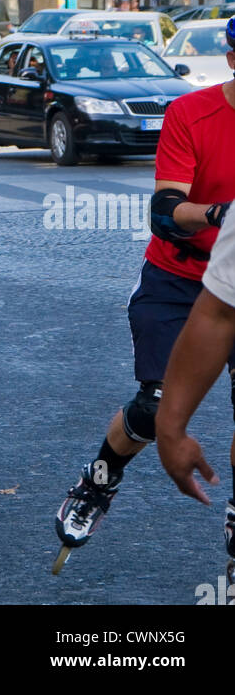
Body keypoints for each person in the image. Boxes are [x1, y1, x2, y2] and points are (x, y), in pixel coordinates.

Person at [53, 13, 235, 569]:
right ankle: (100, 479)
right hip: (180, 276)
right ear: (232, 60)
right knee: (156, 406)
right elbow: (164, 210)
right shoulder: (192, 113)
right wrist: (220, 215)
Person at [156, 203, 235, 587]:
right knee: (147, 403)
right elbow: (220, 312)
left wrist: (171, 428)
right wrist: (169, 426)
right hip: (173, 278)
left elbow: (220, 313)